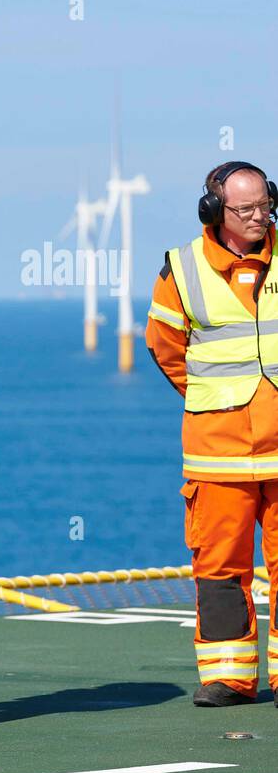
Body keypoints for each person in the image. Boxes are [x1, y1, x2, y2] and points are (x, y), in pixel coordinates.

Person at [146, 161, 278, 707]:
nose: (257, 217)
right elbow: (164, 347)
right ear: (213, 212)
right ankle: (229, 677)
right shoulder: (182, 269)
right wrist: (211, 399)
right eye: (244, 209)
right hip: (218, 454)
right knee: (219, 569)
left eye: (264, 206)